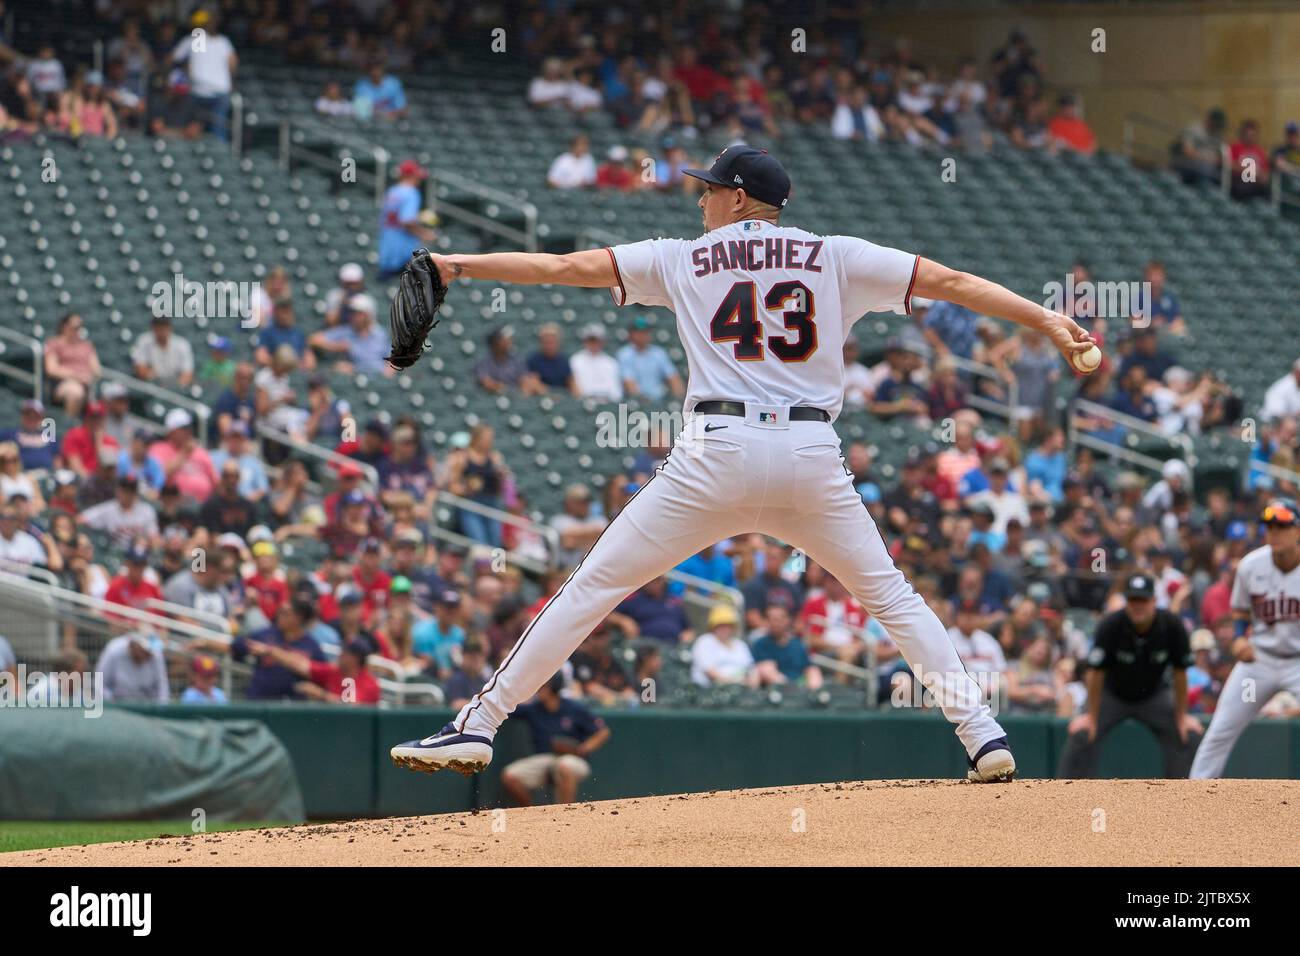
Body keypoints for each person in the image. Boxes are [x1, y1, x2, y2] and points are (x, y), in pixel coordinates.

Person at [392, 144, 1101, 783]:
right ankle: (983, 735)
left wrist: (458, 265)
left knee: (592, 587)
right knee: (893, 598)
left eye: (708, 190)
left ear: (737, 198)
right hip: (810, 455)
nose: (699, 201)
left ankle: (480, 724)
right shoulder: (836, 255)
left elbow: (564, 267)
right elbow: (953, 281)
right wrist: (1045, 319)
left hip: (716, 452)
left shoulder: (681, 257)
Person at [1191, 500, 1300, 777]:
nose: (1274, 533)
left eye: (1282, 526)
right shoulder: (1251, 565)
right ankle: (1193, 796)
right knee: (1220, 731)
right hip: (1260, 661)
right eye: (1270, 527)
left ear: (1297, 531)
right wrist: (1239, 637)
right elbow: (1240, 609)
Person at [1057, 574, 1202, 778]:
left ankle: (1185, 791)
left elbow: (1180, 673)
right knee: (1082, 733)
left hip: (1154, 695)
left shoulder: (1171, 625)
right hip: (1113, 694)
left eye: (1143, 600)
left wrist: (1182, 716)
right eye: (1133, 600)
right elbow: (1096, 673)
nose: (1138, 606)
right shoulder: (1111, 623)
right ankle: (1066, 792)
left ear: (1154, 601)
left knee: (1187, 734)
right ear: (1126, 602)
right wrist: (1091, 716)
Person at [499, 673, 611, 806]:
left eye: (543, 686)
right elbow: (505, 710)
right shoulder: (533, 708)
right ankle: (532, 812)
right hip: (545, 758)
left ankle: (565, 812)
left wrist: (583, 748)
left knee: (564, 766)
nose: (538, 689)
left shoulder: (573, 708)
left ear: (554, 687)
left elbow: (603, 732)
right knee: (510, 776)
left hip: (573, 758)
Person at [170, 9, 236, 141]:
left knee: (218, 131)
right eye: (209, 22)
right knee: (187, 127)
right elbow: (174, 59)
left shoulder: (223, 42)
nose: (212, 24)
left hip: (218, 92)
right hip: (198, 91)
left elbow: (233, 62)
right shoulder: (197, 38)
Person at [377, 160, 435, 278]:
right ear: (410, 176)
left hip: (387, 250)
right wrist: (424, 233)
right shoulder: (411, 193)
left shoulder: (392, 191)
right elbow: (406, 221)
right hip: (403, 253)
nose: (419, 179)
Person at [43, 312, 100, 416]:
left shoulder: (87, 345)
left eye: (80, 327)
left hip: (86, 385)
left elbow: (96, 370)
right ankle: (70, 423)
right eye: (75, 327)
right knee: (75, 391)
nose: (78, 330)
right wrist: (76, 376)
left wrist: (88, 377)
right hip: (62, 384)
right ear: (64, 326)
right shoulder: (54, 343)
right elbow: (51, 369)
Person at [617, 316, 683, 401]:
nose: (642, 335)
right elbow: (629, 383)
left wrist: (678, 398)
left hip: (659, 400)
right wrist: (642, 401)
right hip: (636, 402)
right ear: (631, 334)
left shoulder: (658, 353)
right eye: (638, 332)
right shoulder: (625, 354)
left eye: (645, 332)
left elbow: (673, 377)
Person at [690, 603, 755, 686]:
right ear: (713, 626)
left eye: (728, 625)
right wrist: (736, 682)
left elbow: (752, 669)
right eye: (720, 625)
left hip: (741, 688)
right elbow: (710, 673)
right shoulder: (705, 641)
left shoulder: (740, 645)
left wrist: (751, 685)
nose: (724, 629)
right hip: (711, 690)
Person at [97, 631, 169, 703]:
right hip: (116, 704)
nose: (148, 654)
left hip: (147, 704)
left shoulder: (156, 654)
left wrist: (161, 706)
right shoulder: (114, 649)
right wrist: (111, 702)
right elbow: (99, 682)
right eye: (145, 651)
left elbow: (162, 688)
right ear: (134, 645)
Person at [132, 315, 194, 388]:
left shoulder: (182, 344)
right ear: (153, 327)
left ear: (169, 327)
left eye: (164, 326)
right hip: (151, 384)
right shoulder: (144, 341)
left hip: (175, 385)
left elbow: (187, 375)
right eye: (158, 326)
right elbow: (140, 370)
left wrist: (175, 386)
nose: (161, 330)